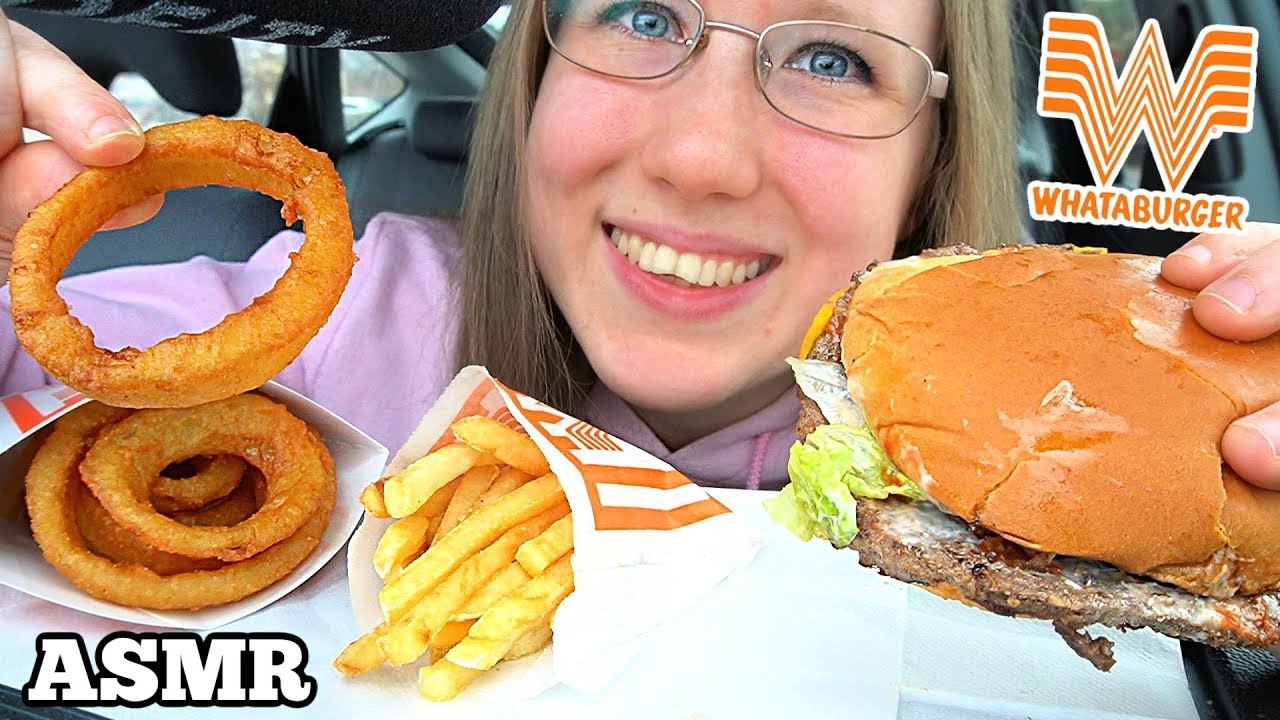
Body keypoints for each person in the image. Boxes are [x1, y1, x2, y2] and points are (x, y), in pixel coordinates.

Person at [0, 6, 1276, 497]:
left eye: (831, 60)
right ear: (533, 80)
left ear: (930, 165)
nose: (699, 158)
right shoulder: (340, 318)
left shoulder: (1075, 452)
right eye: (642, 16)